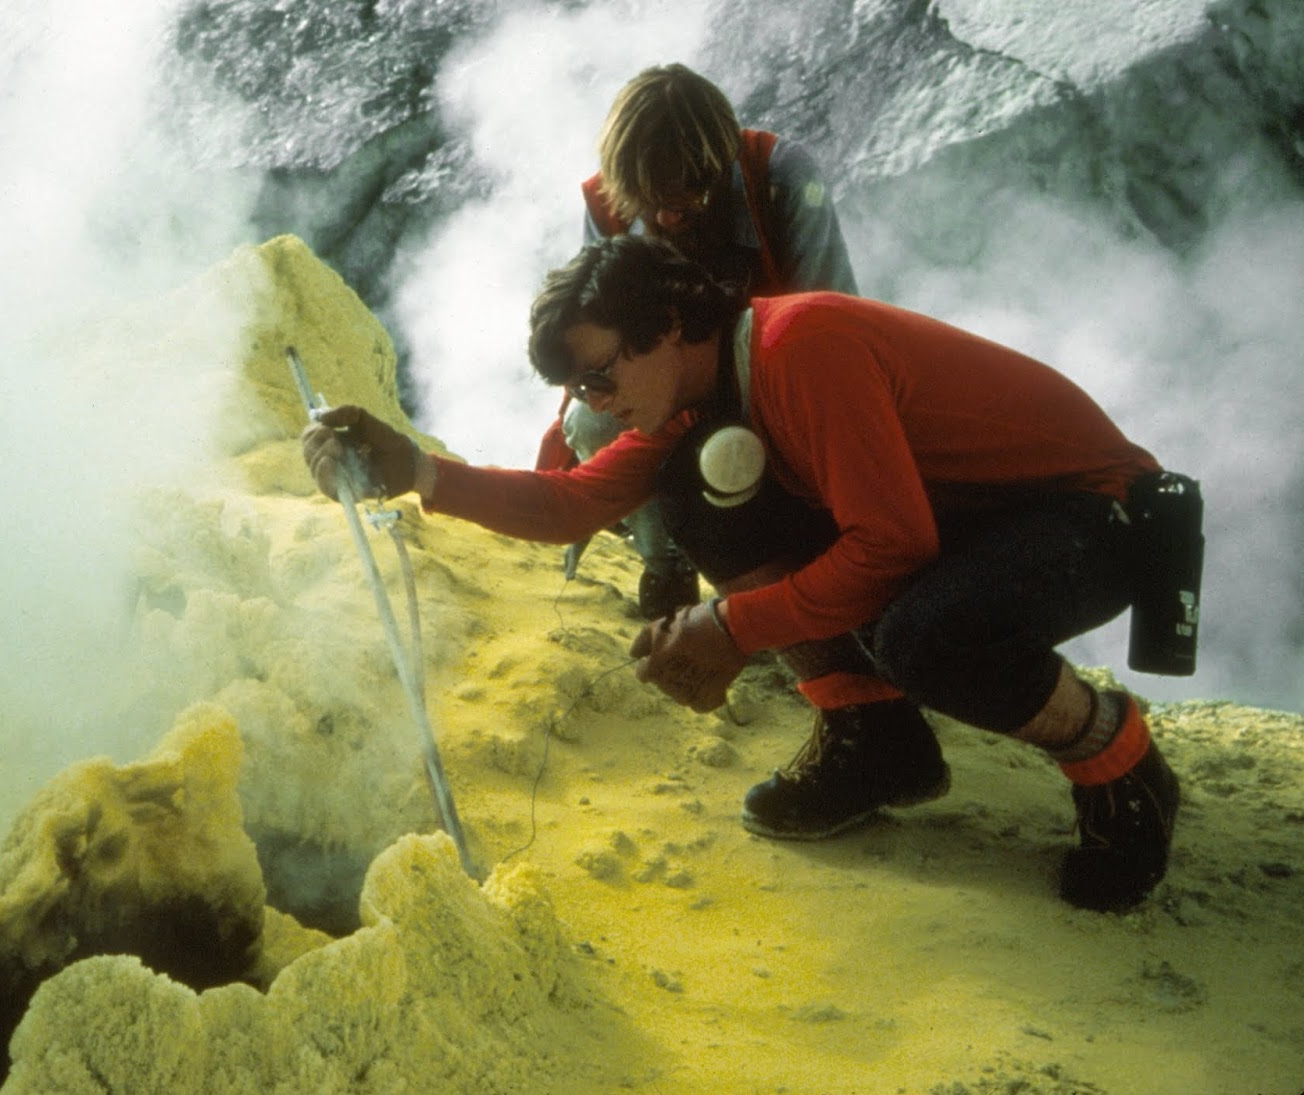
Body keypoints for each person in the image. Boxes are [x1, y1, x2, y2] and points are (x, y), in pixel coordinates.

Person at [303, 235, 1186, 913]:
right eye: (580, 390)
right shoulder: (702, 391)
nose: (596, 404)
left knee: (926, 631)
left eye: (602, 375)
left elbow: (895, 547)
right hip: (986, 521)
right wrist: (414, 471)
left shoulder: (803, 350)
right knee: (697, 492)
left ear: (672, 324)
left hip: (1097, 514)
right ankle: (875, 739)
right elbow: (570, 503)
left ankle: (1119, 761)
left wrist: (729, 628)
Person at [540, 63, 857, 621]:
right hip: (672, 391)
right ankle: (668, 563)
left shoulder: (779, 178)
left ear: (720, 166)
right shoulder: (606, 203)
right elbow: (591, 338)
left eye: (685, 202)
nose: (663, 217)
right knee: (592, 421)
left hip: (778, 382)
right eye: (647, 203)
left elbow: (835, 321)